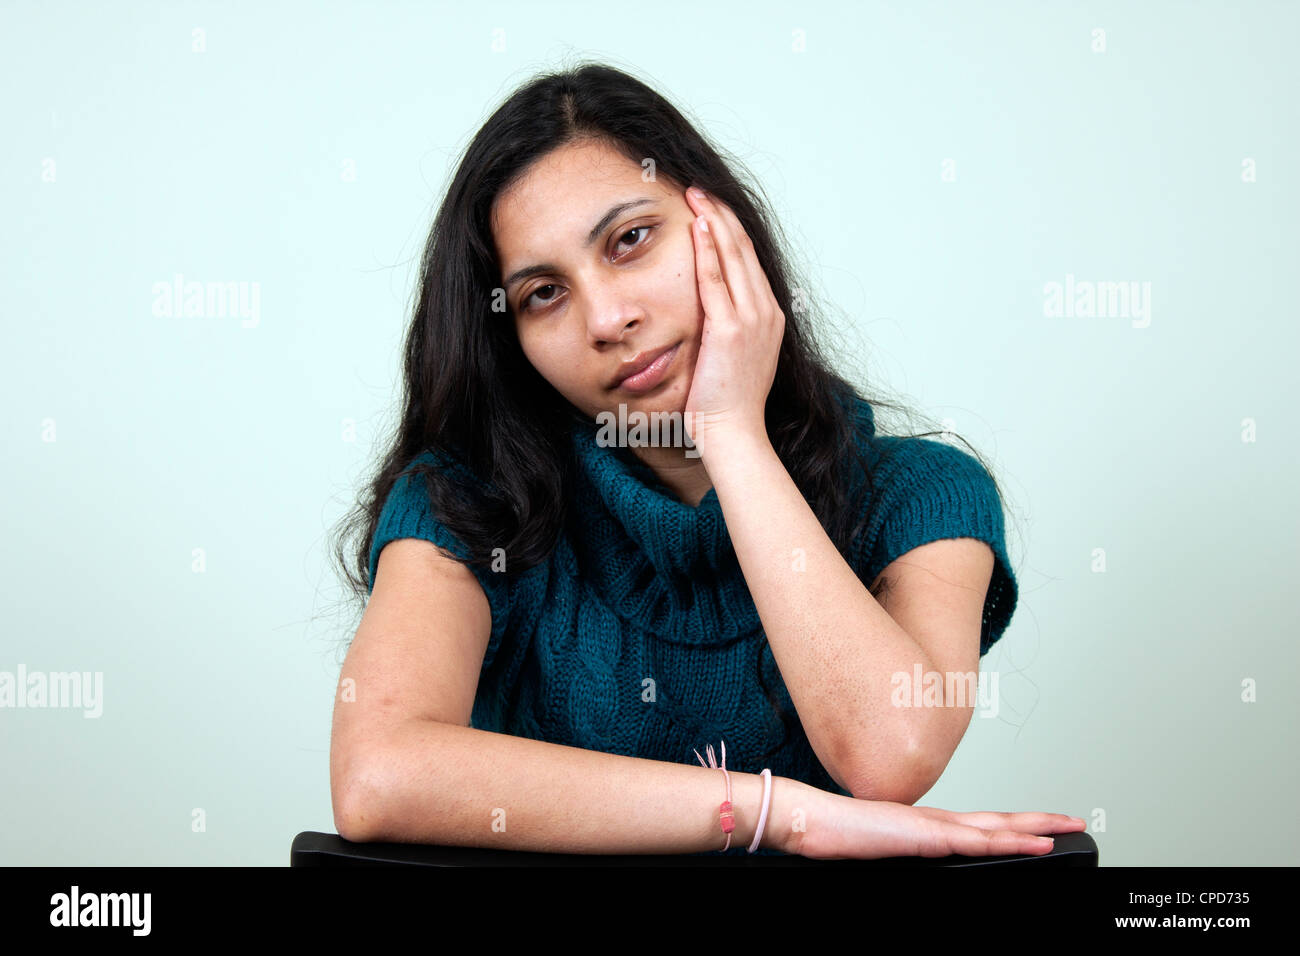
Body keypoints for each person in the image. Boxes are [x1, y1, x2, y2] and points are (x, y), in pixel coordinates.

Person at [328, 60, 1086, 859]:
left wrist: (730, 429)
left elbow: (891, 752)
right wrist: (774, 813)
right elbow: (378, 775)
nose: (608, 318)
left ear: (718, 221)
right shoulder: (466, 507)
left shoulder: (920, 496)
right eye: (543, 293)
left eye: (630, 240)